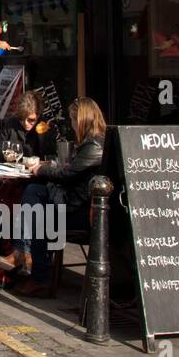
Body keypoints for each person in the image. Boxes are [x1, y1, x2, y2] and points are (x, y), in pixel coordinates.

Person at [14, 97, 107, 297]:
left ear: (81, 119)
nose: (71, 124)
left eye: (73, 119)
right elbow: (73, 171)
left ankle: (34, 268)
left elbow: (68, 175)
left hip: (81, 211)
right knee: (35, 196)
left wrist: (40, 170)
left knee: (37, 208)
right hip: (77, 203)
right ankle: (29, 259)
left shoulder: (94, 145)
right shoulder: (94, 141)